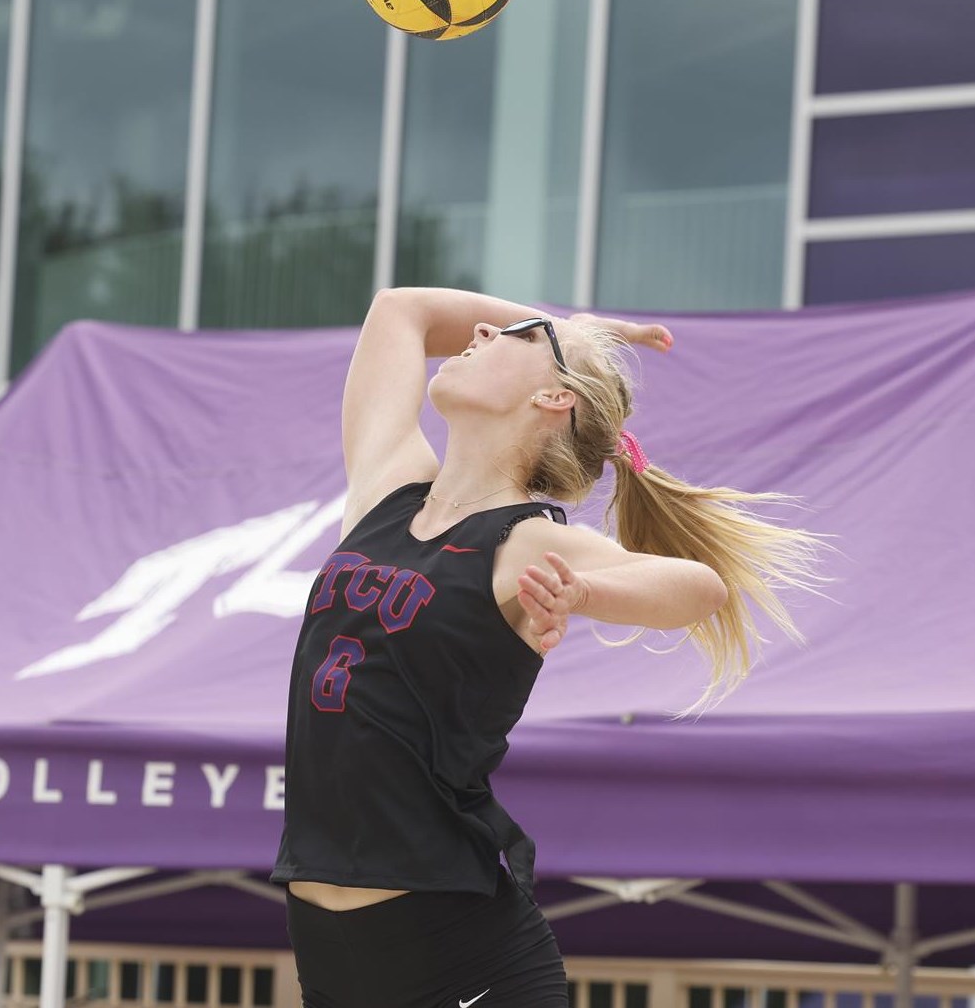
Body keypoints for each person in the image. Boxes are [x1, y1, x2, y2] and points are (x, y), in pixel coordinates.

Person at [270, 287, 827, 1008]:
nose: (480, 329)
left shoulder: (529, 539)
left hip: (460, 952)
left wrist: (584, 594)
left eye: (516, 335)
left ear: (555, 398)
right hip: (334, 958)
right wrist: (560, 329)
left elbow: (698, 588)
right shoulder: (388, 488)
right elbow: (399, 309)